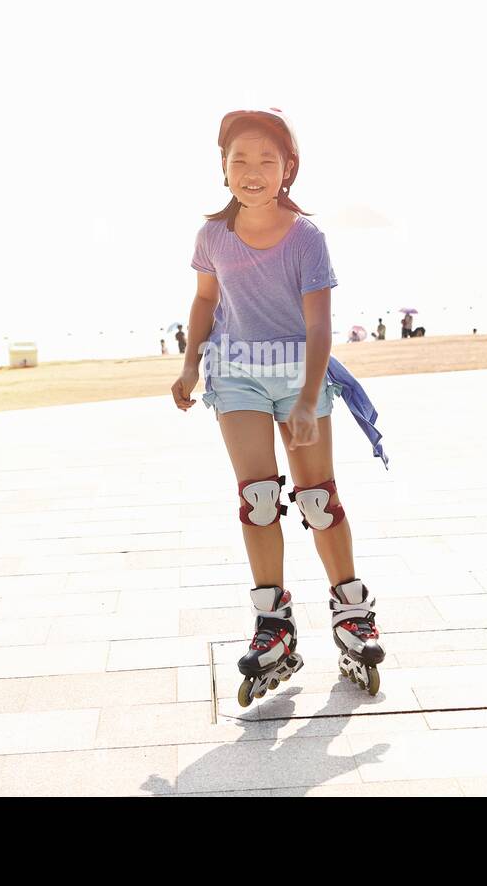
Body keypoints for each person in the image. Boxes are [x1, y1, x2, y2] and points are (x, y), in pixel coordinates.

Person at [170, 107, 385, 706]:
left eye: (267, 159)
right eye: (239, 158)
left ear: (288, 167)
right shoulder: (212, 236)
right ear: (223, 167)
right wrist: (189, 365)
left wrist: (311, 398)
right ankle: (274, 625)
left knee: (318, 499)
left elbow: (319, 326)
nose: (252, 170)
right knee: (258, 498)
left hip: (299, 376)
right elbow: (204, 301)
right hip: (235, 374)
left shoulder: (306, 238)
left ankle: (352, 611)